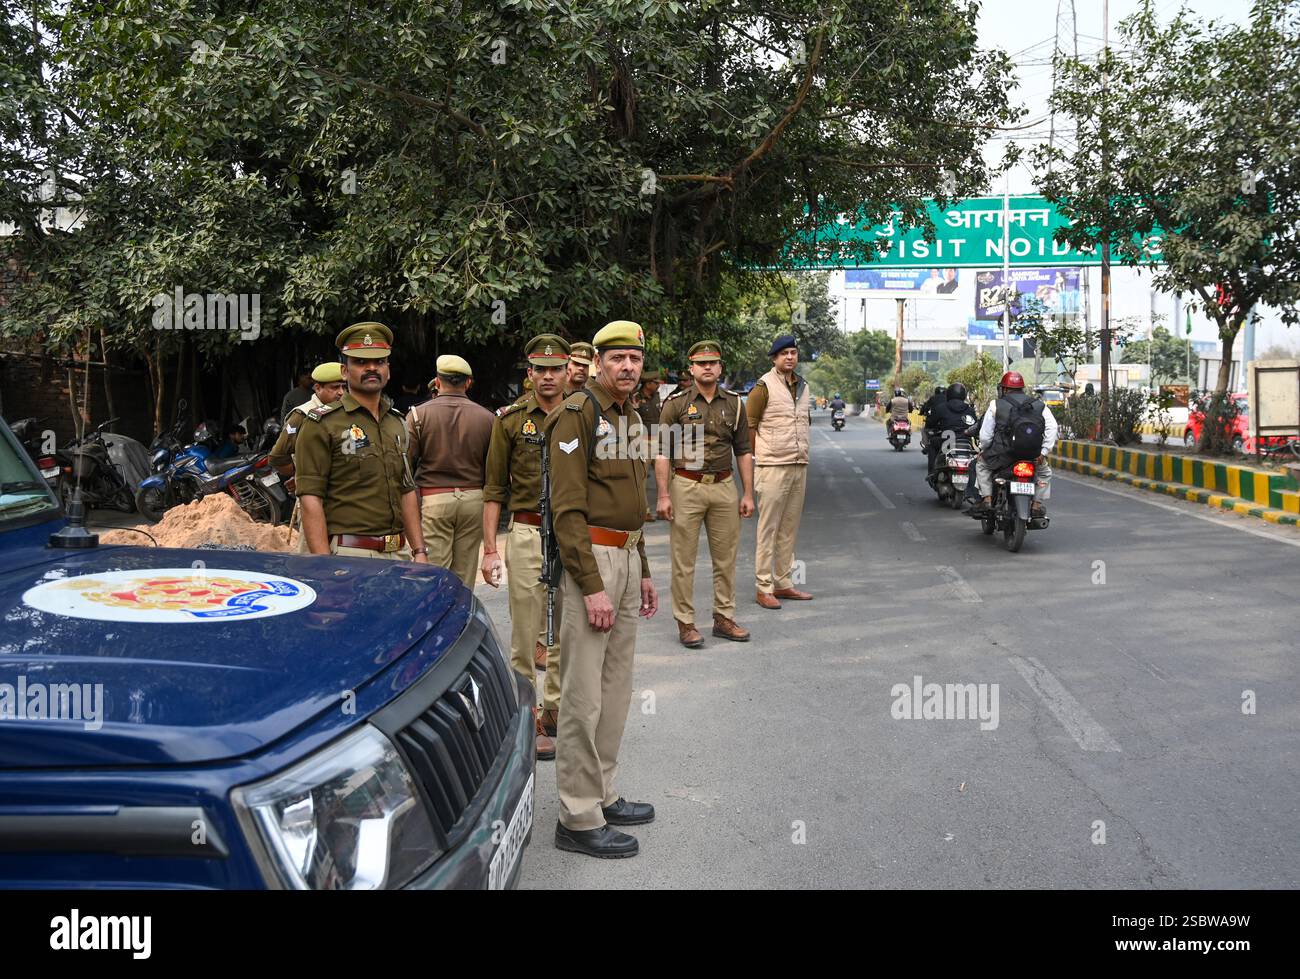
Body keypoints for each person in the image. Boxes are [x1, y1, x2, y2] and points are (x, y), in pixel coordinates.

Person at [544, 319, 658, 859]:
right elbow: (567, 511)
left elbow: (633, 500)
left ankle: (603, 792)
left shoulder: (631, 416)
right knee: (584, 695)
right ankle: (577, 815)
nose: (627, 368)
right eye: (617, 359)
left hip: (628, 557)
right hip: (593, 560)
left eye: (634, 359)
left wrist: (646, 568)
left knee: (616, 691)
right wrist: (590, 586)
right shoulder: (577, 414)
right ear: (598, 363)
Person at [482, 335, 571, 762]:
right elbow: (494, 488)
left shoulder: (584, 415)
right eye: (541, 369)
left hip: (573, 535)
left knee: (564, 630)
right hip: (527, 532)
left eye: (556, 369)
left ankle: (553, 710)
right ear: (530, 374)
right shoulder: (511, 421)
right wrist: (488, 549)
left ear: (568, 370)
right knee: (524, 632)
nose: (549, 376)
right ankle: (527, 715)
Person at [293, 322, 429, 563]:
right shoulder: (322, 424)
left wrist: (419, 551)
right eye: (360, 362)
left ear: (388, 370)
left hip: (399, 554)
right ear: (345, 371)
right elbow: (310, 497)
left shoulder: (397, 422)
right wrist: (325, 565)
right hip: (350, 556)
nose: (371, 368)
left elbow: (406, 489)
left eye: (379, 362)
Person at [655, 339, 755, 647]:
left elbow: (743, 450)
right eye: (701, 363)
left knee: (725, 558)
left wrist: (748, 493)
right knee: (683, 560)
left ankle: (723, 618)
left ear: (720, 367)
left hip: (724, 486)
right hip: (686, 485)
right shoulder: (676, 404)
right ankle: (685, 623)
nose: (707, 367)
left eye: (713, 363)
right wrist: (663, 495)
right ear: (692, 369)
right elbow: (662, 452)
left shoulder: (736, 404)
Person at [405, 354, 495, 588]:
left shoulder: (418, 415)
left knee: (434, 575)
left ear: (437, 382)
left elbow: (405, 465)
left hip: (433, 498)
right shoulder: (487, 418)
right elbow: (493, 467)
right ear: (468, 383)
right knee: (464, 578)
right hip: (474, 499)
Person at [746, 334, 813, 609]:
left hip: (798, 463)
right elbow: (750, 426)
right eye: (784, 353)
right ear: (774, 358)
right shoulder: (763, 386)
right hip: (771, 465)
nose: (789, 357)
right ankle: (764, 587)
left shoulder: (804, 386)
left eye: (793, 353)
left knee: (789, 528)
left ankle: (783, 583)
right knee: (768, 529)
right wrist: (755, 456)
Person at [967, 371, 1057, 518]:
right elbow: (1052, 428)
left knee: (981, 464)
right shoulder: (1039, 405)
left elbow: (986, 435)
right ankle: (1036, 505)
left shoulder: (996, 404)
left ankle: (987, 500)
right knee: (1045, 473)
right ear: (1022, 388)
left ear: (1005, 389)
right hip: (1032, 455)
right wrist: (1043, 452)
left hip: (1002, 455)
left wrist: (984, 449)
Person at [268, 362, 347, 491]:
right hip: (318, 493)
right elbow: (277, 458)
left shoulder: (347, 411)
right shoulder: (302, 415)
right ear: (317, 388)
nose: (341, 392)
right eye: (335, 387)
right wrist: (301, 476)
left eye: (344, 387)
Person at [925, 382, 977, 476]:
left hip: (947, 440)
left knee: (932, 443)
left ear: (948, 394)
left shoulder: (941, 408)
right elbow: (976, 426)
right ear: (963, 395)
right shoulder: (970, 410)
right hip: (965, 441)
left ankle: (932, 473)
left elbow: (930, 423)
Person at [634, 369, 663, 520]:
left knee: (664, 475)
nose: (658, 385)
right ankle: (644, 511)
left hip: (658, 441)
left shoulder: (658, 397)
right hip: (643, 442)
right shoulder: (635, 398)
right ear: (648, 384)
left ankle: (663, 507)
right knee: (642, 477)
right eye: (656, 383)